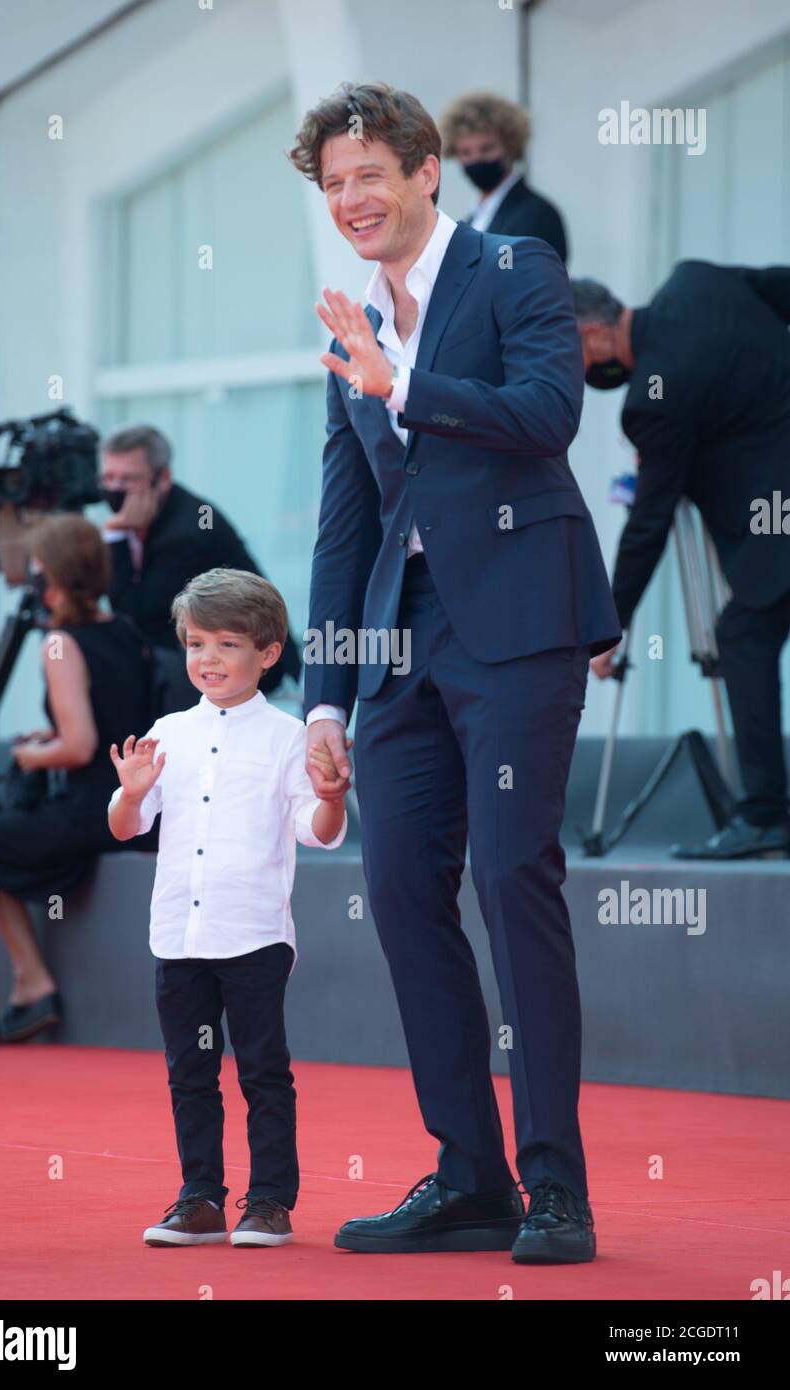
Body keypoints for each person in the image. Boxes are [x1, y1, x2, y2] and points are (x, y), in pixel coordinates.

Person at [288, 81, 620, 1263]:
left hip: (521, 621)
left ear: (429, 172)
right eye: (333, 184)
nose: (352, 199)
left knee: (509, 875)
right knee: (400, 891)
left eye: (370, 174)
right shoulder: (344, 319)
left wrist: (403, 384)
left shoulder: (514, 265)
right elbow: (343, 526)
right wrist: (322, 693)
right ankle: (469, 1175)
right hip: (398, 640)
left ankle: (556, 1189)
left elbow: (546, 412)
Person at [107, 568, 348, 1248]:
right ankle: (199, 1197)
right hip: (178, 935)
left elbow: (317, 833)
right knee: (189, 1072)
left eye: (227, 645)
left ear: (269, 652)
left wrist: (330, 797)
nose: (207, 660)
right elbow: (126, 826)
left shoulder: (287, 737)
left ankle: (269, 1201)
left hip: (253, 935)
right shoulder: (168, 731)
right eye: (195, 644)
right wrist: (129, 793)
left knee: (263, 1070)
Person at [572, 264, 790, 859]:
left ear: (589, 334)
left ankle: (766, 815)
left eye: (571, 359)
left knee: (741, 636)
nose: (578, 377)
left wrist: (604, 630)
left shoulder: (653, 401)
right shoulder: (695, 282)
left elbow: (649, 524)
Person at [0, 514, 156, 1047]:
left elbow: (78, 746)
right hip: (125, 803)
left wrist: (31, 757)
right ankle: (32, 986)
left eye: (34, 568)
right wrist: (49, 735)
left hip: (92, 810)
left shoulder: (58, 644)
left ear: (51, 576)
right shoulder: (122, 629)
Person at [100, 424, 302, 711]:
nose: (115, 489)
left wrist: (115, 535)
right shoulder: (159, 515)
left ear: (163, 478)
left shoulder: (187, 533)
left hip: (253, 685)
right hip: (210, 679)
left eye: (128, 479)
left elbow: (135, 611)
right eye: (108, 478)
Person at [438, 91, 569, 263]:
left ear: (510, 146)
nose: (476, 159)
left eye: (486, 149)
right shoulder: (473, 219)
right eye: (466, 152)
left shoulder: (537, 214)